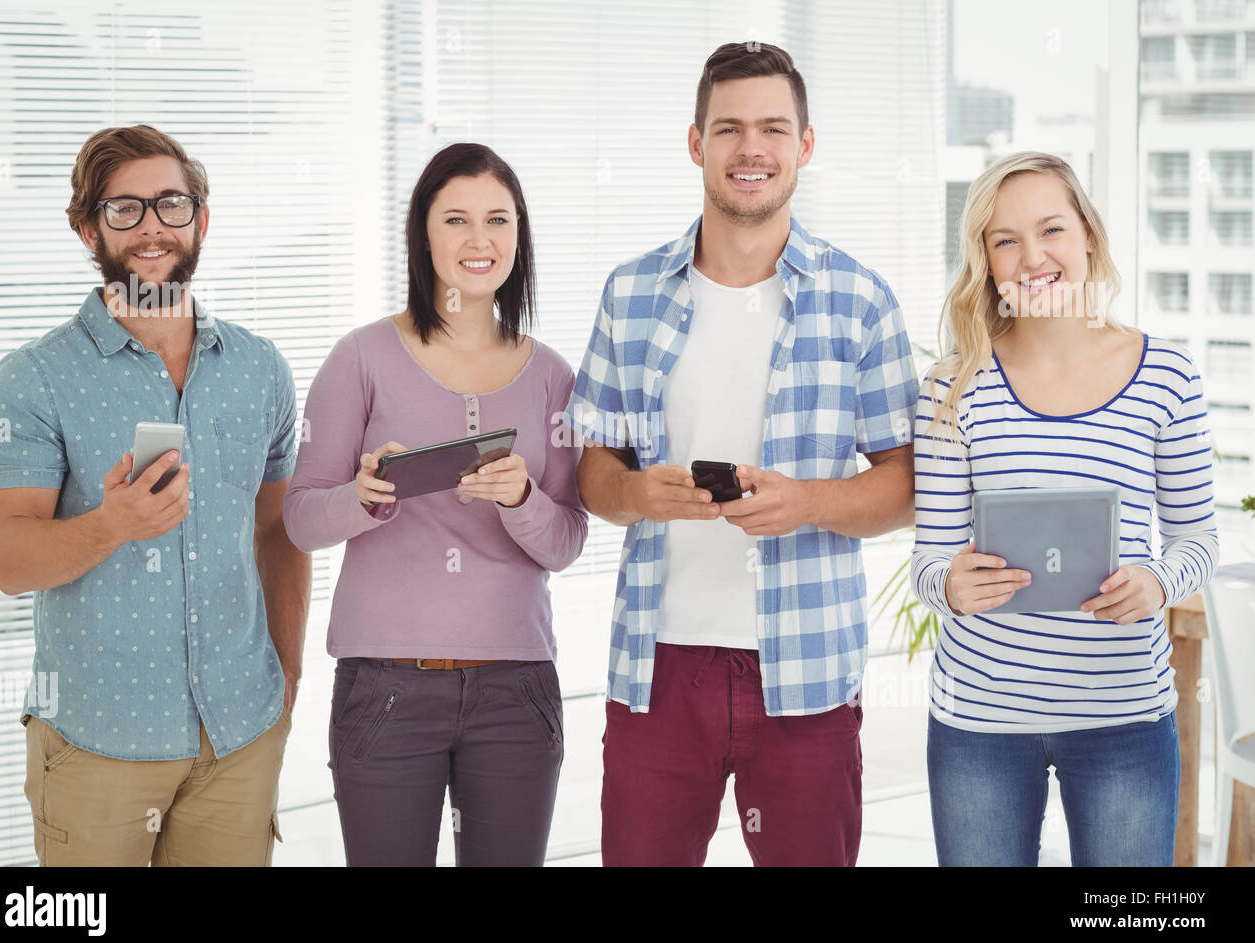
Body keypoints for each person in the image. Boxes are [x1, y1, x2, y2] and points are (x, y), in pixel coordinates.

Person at [565, 42, 919, 866]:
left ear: (805, 144)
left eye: (771, 128)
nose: (750, 149)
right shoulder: (630, 292)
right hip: (659, 667)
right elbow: (592, 472)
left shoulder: (860, 300)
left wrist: (808, 503)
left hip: (808, 668)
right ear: (697, 144)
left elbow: (905, 484)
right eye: (728, 128)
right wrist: (636, 496)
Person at [0, 124, 309, 866]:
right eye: (123, 209)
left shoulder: (261, 369)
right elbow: (8, 559)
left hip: (241, 734)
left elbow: (278, 531)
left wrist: (287, 671)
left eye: (171, 203)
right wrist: (111, 525)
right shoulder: (34, 379)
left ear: (202, 217)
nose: (152, 226)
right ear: (87, 225)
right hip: (99, 743)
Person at [910, 150, 1220, 866]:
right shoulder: (952, 386)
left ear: (1087, 235)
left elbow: (1197, 537)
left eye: (1050, 230)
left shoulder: (1166, 377)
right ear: (984, 260)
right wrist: (950, 584)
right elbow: (930, 557)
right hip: (980, 723)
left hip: (1124, 718)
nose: (1032, 258)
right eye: (1004, 240)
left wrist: (1161, 583)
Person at [282, 142, 588, 867]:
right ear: (423, 233)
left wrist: (518, 498)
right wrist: (366, 497)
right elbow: (299, 517)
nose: (479, 240)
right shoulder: (360, 357)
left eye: (497, 220)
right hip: (386, 689)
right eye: (456, 219)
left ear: (520, 236)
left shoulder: (552, 376)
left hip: (517, 690)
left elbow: (568, 539)